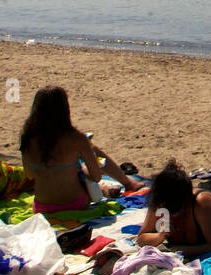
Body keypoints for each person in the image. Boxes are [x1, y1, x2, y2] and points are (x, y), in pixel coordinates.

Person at [19, 86, 141, 214]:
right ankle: (124, 183)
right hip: (76, 203)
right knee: (93, 154)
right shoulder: (77, 138)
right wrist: (83, 167)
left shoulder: (27, 138)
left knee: (75, 166)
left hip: (43, 207)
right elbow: (96, 176)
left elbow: (29, 175)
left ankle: (109, 187)